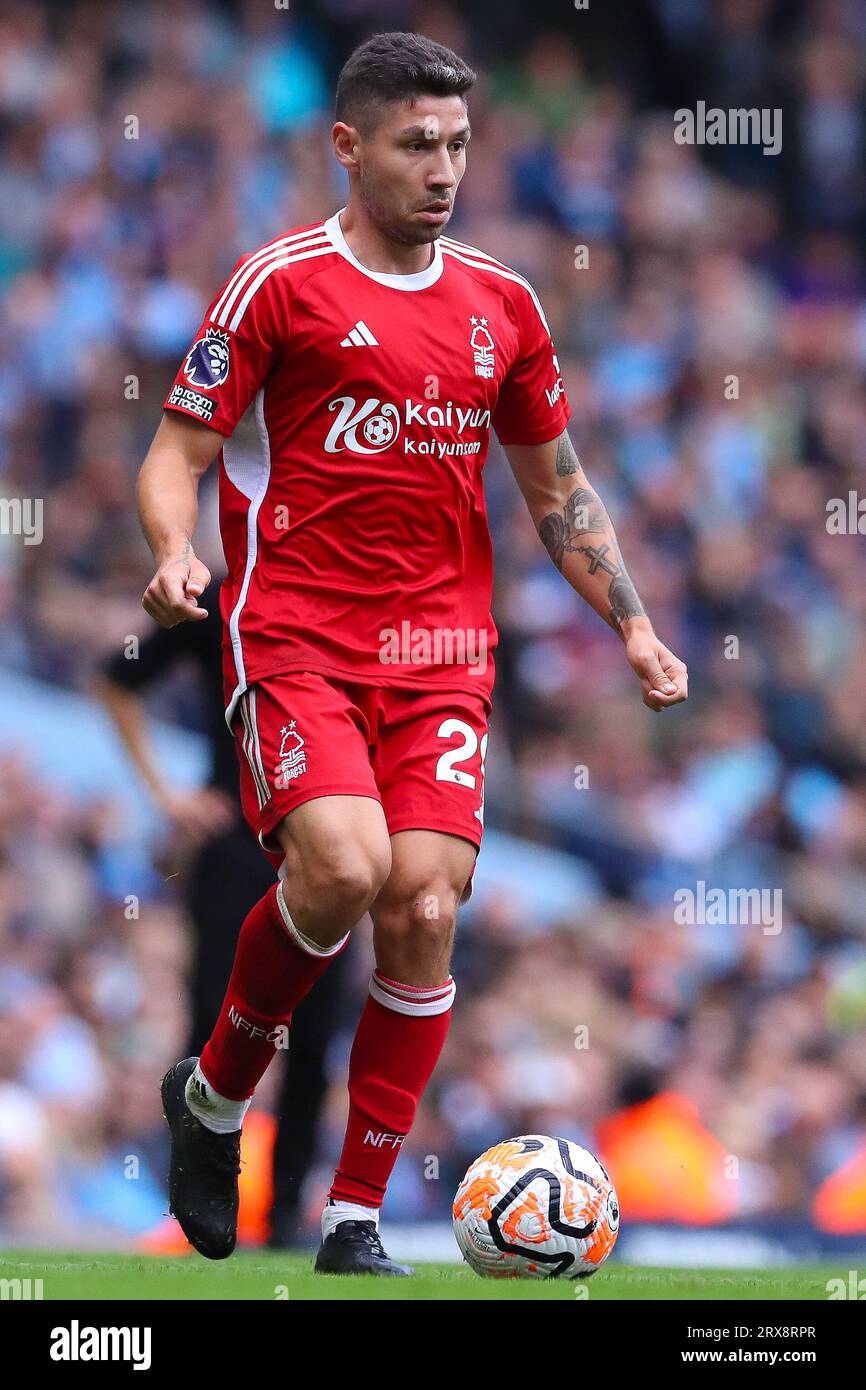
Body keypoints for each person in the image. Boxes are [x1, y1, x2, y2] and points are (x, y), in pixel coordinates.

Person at [136, 31, 688, 1276]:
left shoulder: (503, 304)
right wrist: (175, 554)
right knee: (339, 866)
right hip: (293, 634)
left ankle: (351, 1217)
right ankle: (215, 1101)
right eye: (414, 144)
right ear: (347, 145)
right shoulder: (276, 285)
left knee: (424, 903)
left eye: (456, 145)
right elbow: (173, 454)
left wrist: (635, 622)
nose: (442, 170)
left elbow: (556, 490)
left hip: (441, 652)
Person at [93, 577, 351, 1248]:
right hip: (238, 843)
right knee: (214, 1021)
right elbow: (116, 679)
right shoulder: (224, 598)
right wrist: (167, 795)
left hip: (326, 849)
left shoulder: (353, 597)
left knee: (316, 1035)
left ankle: (287, 1212)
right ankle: (200, 1203)